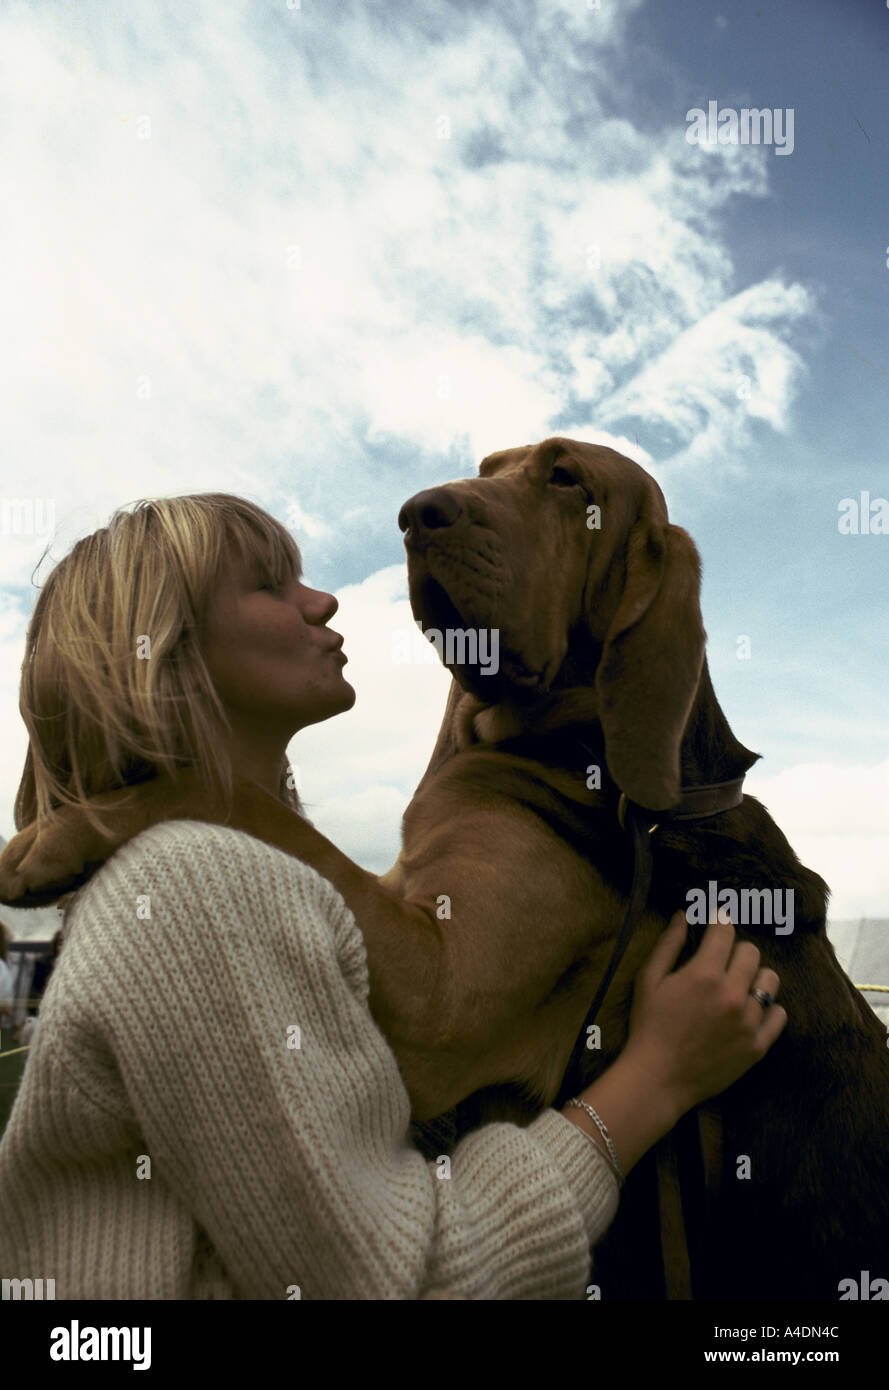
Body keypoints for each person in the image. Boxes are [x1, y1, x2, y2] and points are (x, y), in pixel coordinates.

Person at [0, 494, 786, 1299]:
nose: (324, 600)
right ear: (165, 650)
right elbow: (394, 1283)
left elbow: (386, 941)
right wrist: (653, 1080)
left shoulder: (203, 872)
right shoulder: (195, 879)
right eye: (272, 586)